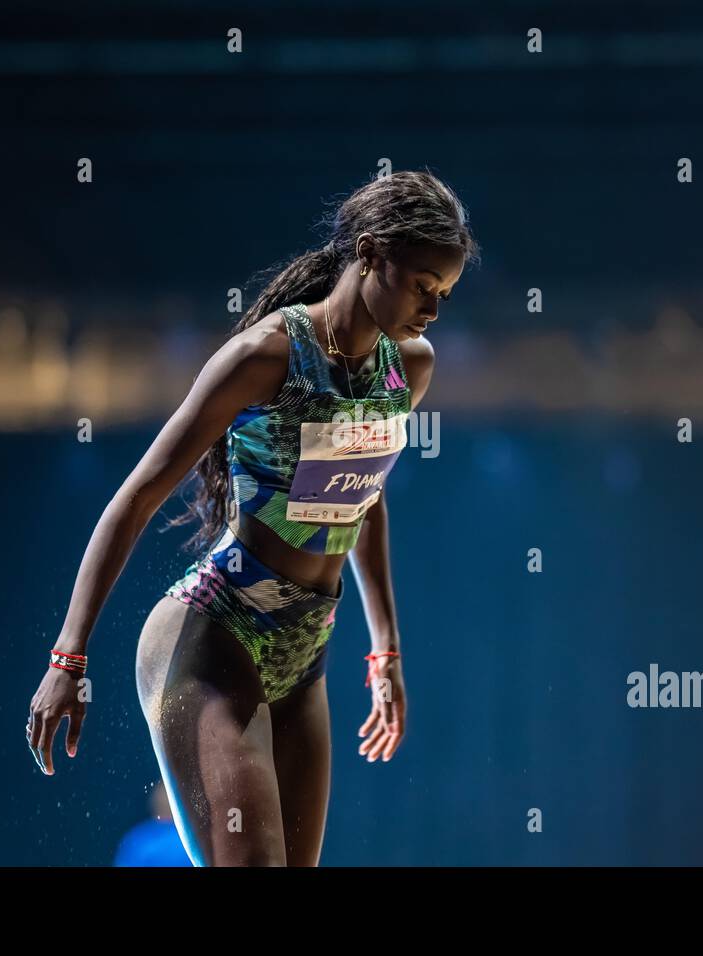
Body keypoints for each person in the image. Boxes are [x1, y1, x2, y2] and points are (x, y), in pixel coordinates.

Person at [27, 170, 479, 865]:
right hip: (213, 638)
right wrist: (68, 657)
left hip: (305, 654)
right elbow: (137, 497)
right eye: (424, 284)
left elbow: (366, 497)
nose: (434, 309)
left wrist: (385, 650)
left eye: (444, 293)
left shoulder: (408, 368)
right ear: (370, 253)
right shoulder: (267, 355)